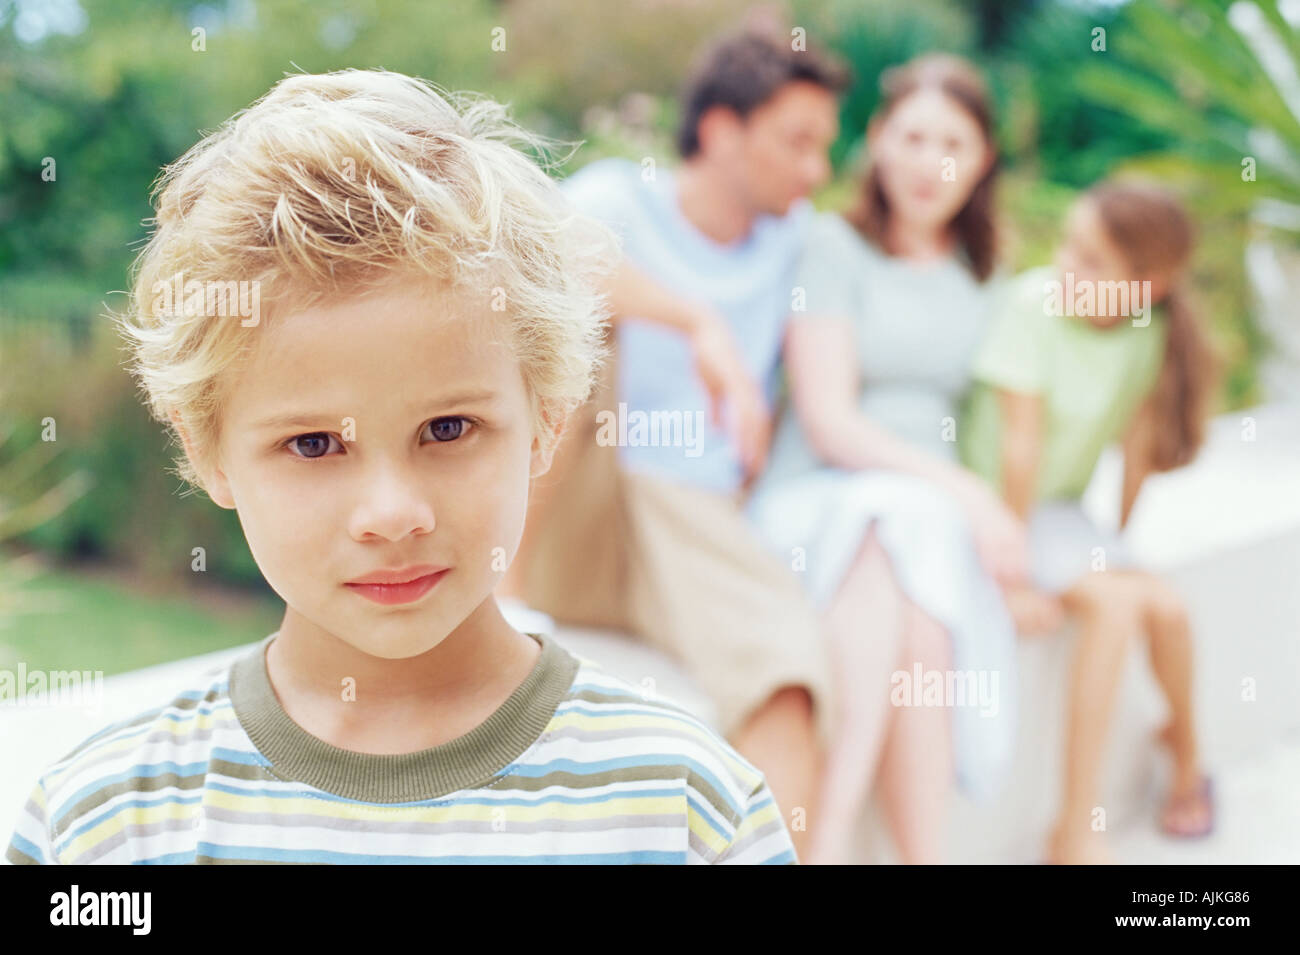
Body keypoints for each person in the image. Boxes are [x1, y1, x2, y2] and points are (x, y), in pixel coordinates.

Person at [4, 69, 797, 865]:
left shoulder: (690, 811)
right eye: (314, 444)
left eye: (448, 428)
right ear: (206, 447)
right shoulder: (100, 827)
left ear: (548, 419)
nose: (391, 512)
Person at [499, 28, 850, 860]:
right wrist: (697, 320)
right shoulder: (622, 198)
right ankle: (499, 591)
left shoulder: (794, 244)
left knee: (787, 681)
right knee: (583, 325)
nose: (817, 171)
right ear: (724, 130)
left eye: (824, 149)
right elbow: (543, 268)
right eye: (797, 143)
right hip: (574, 511)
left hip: (693, 522)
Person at [746, 54, 1024, 864]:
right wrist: (964, 493)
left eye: (953, 143)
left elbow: (1007, 424)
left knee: (922, 609)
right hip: (821, 496)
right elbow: (829, 421)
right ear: (876, 141)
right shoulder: (831, 248)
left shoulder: (990, 275)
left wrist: (998, 516)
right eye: (911, 137)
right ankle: (827, 844)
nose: (928, 163)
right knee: (888, 530)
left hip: (929, 518)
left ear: (983, 162)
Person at [960, 180, 1219, 864]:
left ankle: (1186, 752)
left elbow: (1135, 450)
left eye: (1092, 260)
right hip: (1000, 509)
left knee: (1167, 607)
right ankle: (1075, 825)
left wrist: (1120, 543)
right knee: (1114, 605)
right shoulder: (1030, 307)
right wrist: (1012, 578)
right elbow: (1019, 453)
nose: (1067, 267)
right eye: (1069, 247)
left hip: (1066, 515)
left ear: (1147, 287)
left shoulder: (1147, 332)